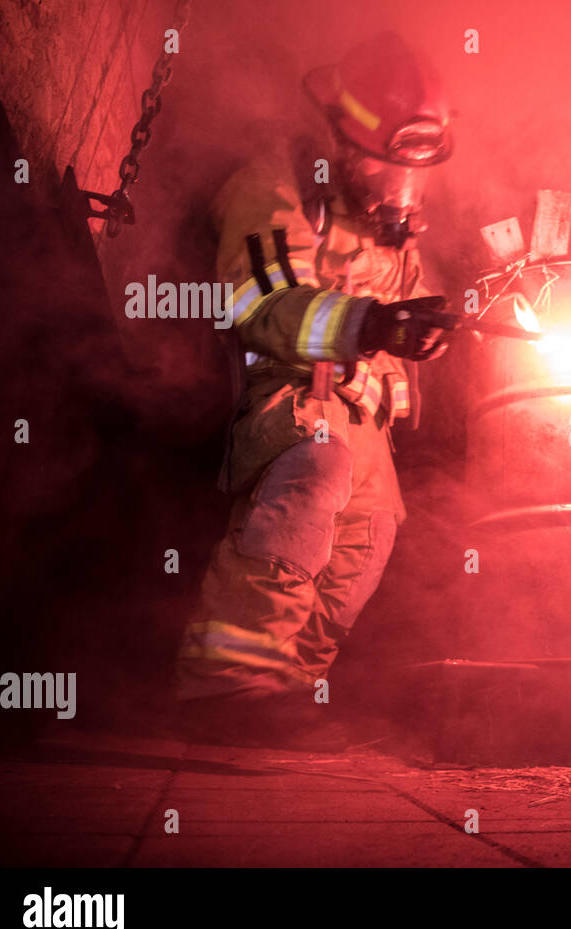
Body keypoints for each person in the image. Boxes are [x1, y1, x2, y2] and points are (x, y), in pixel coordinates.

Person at [175, 32, 456, 747]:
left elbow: (403, 296)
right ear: (340, 134)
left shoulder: (386, 220)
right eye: (384, 167)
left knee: (368, 541)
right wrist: (373, 323)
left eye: (413, 176)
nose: (401, 192)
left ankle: (281, 697)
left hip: (360, 413)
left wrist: (426, 323)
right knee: (312, 479)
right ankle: (227, 686)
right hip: (290, 396)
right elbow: (263, 303)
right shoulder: (274, 185)